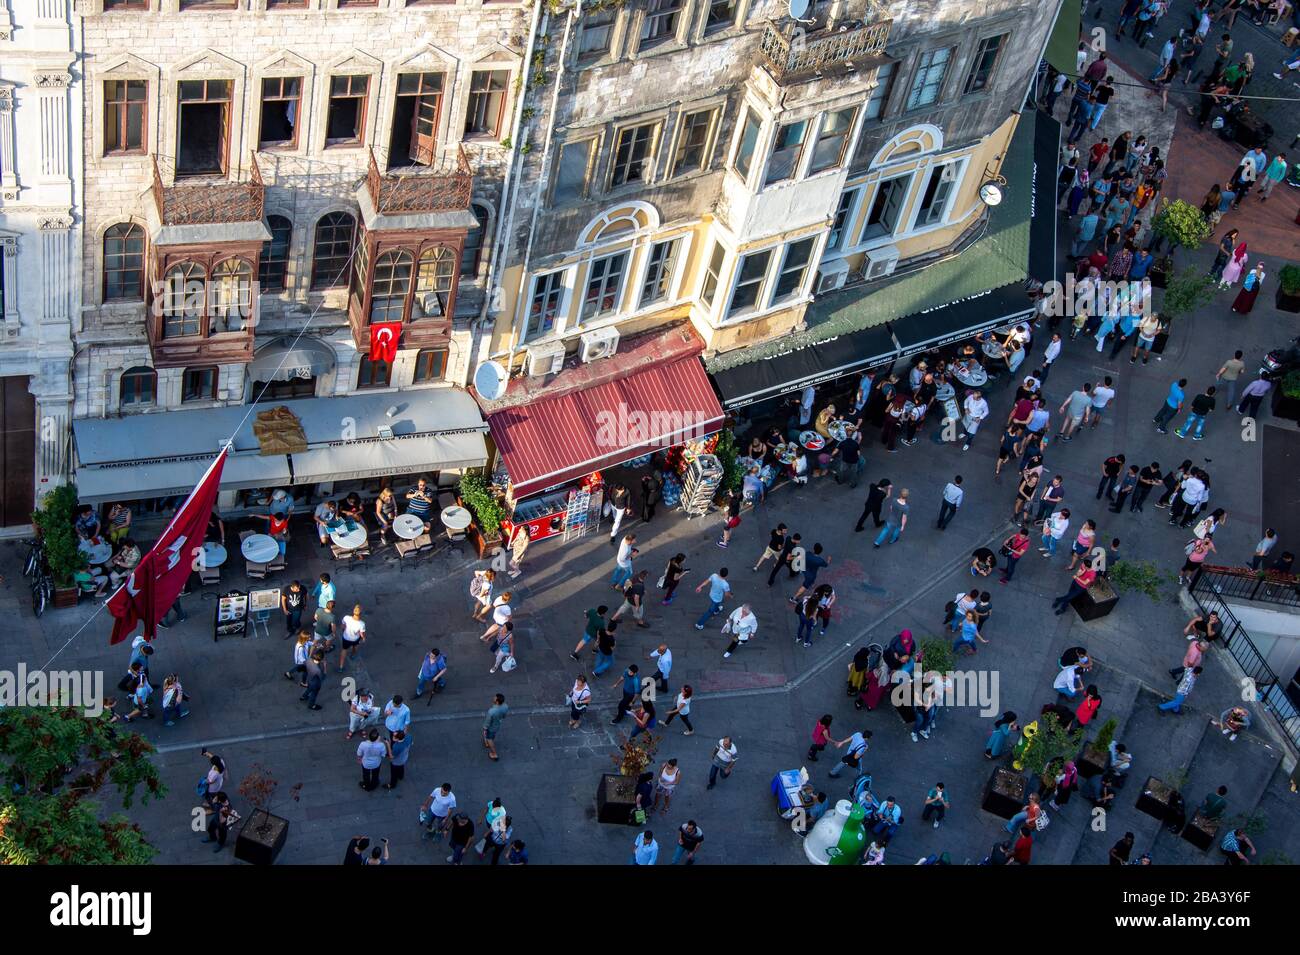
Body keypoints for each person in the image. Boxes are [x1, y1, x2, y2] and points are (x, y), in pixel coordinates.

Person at [482, 693, 508, 761]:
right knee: (492, 734)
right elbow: (504, 716)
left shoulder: (491, 711)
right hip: (497, 725)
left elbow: (487, 722)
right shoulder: (505, 706)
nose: (493, 698)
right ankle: (489, 741)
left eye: (494, 698)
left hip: (491, 727)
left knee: (489, 738)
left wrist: (485, 728)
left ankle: (494, 754)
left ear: (497, 701)